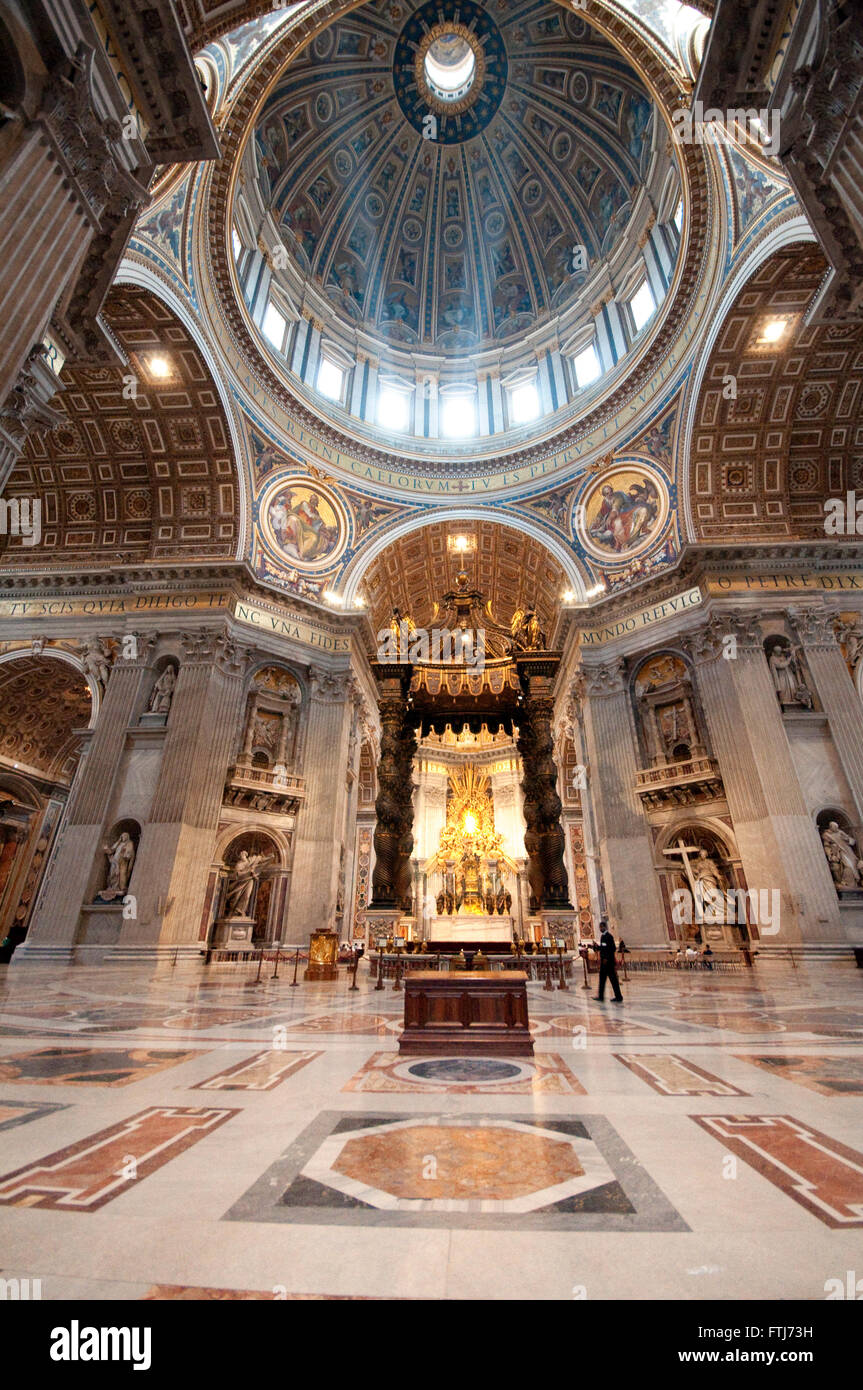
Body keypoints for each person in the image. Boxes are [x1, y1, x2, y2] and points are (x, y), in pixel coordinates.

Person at [594, 918, 623, 1003]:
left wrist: (606, 958)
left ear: (605, 927)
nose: (600, 929)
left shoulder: (609, 936)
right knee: (602, 979)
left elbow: (612, 948)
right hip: (604, 962)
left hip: (608, 962)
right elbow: (604, 948)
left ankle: (619, 997)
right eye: (599, 927)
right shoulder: (603, 936)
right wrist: (596, 947)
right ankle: (601, 996)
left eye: (601, 927)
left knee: (613, 980)